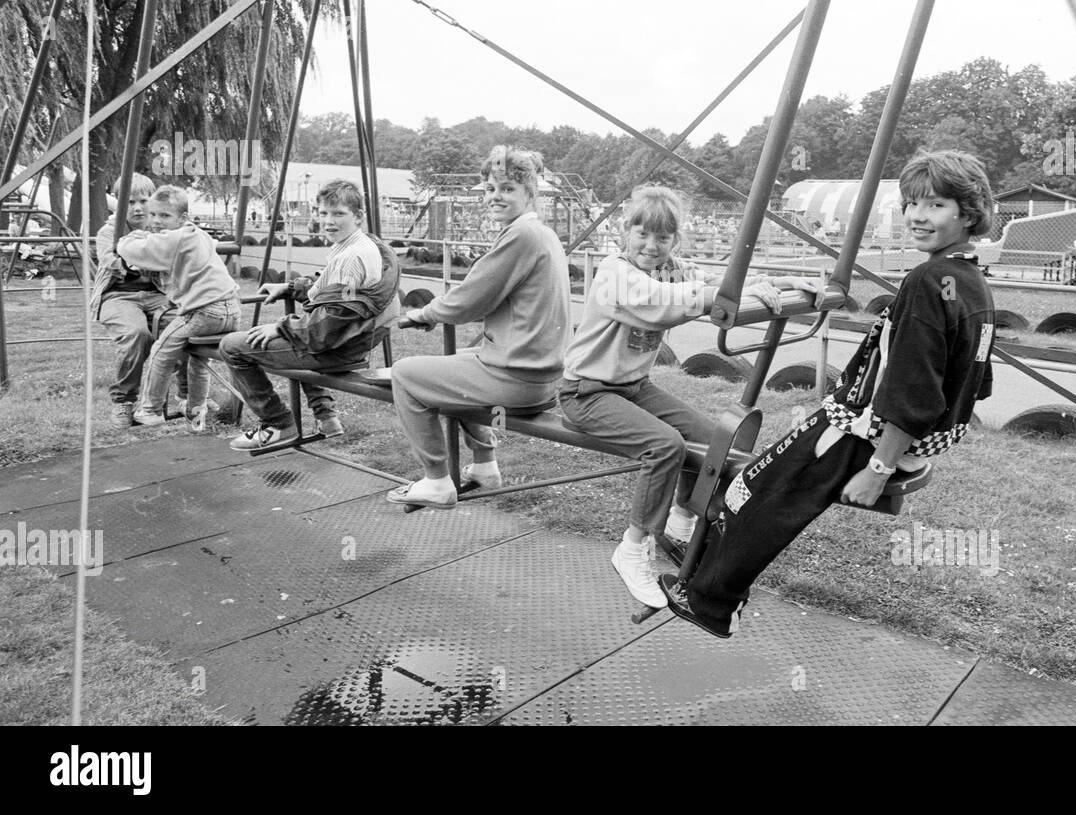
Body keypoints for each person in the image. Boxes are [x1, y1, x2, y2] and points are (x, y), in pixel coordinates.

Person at [663, 150, 997, 638]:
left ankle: (709, 602)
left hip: (867, 435)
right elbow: (977, 378)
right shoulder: (970, 279)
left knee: (755, 492)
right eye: (912, 204)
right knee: (755, 483)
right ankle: (703, 575)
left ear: (968, 213)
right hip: (907, 434)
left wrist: (878, 469)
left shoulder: (928, 281)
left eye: (936, 205)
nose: (918, 216)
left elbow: (914, 388)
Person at [561, 185, 807, 610]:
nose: (651, 246)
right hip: (586, 390)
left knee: (713, 440)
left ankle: (680, 522)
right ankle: (632, 548)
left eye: (663, 237)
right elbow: (664, 302)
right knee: (664, 446)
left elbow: (715, 281)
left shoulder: (669, 268)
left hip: (632, 387)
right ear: (624, 231)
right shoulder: (615, 273)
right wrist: (729, 296)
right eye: (642, 234)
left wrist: (775, 284)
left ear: (675, 240)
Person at [386, 146, 569, 509]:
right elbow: (492, 296)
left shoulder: (522, 235)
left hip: (520, 378)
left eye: (507, 189)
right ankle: (485, 466)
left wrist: (425, 314)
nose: (495, 197)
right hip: (543, 373)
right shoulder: (540, 233)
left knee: (405, 374)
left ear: (530, 193)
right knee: (455, 365)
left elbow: (470, 298)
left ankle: (436, 481)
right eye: (490, 189)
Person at [218, 179, 401, 450]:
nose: (329, 221)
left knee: (231, 346)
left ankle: (277, 423)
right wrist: (292, 287)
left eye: (339, 214)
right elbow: (332, 292)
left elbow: (331, 321)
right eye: (323, 212)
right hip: (352, 338)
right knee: (300, 335)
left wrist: (282, 327)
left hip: (340, 346)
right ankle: (327, 417)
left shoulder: (352, 257)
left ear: (358, 216)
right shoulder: (362, 245)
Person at [115, 186, 242, 430]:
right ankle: (196, 411)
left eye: (165, 215)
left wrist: (128, 239)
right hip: (231, 309)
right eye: (153, 214)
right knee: (198, 359)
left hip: (205, 311)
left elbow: (133, 250)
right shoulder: (198, 234)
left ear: (182, 218)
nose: (156, 221)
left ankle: (151, 409)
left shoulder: (176, 238)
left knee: (161, 350)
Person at [90, 172, 183, 429]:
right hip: (118, 294)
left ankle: (188, 396)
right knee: (137, 334)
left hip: (156, 294)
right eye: (130, 202)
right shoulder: (109, 231)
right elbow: (112, 262)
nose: (138, 208)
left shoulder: (159, 228)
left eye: (143, 201)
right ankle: (124, 400)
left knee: (185, 326)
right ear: (118, 203)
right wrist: (145, 259)